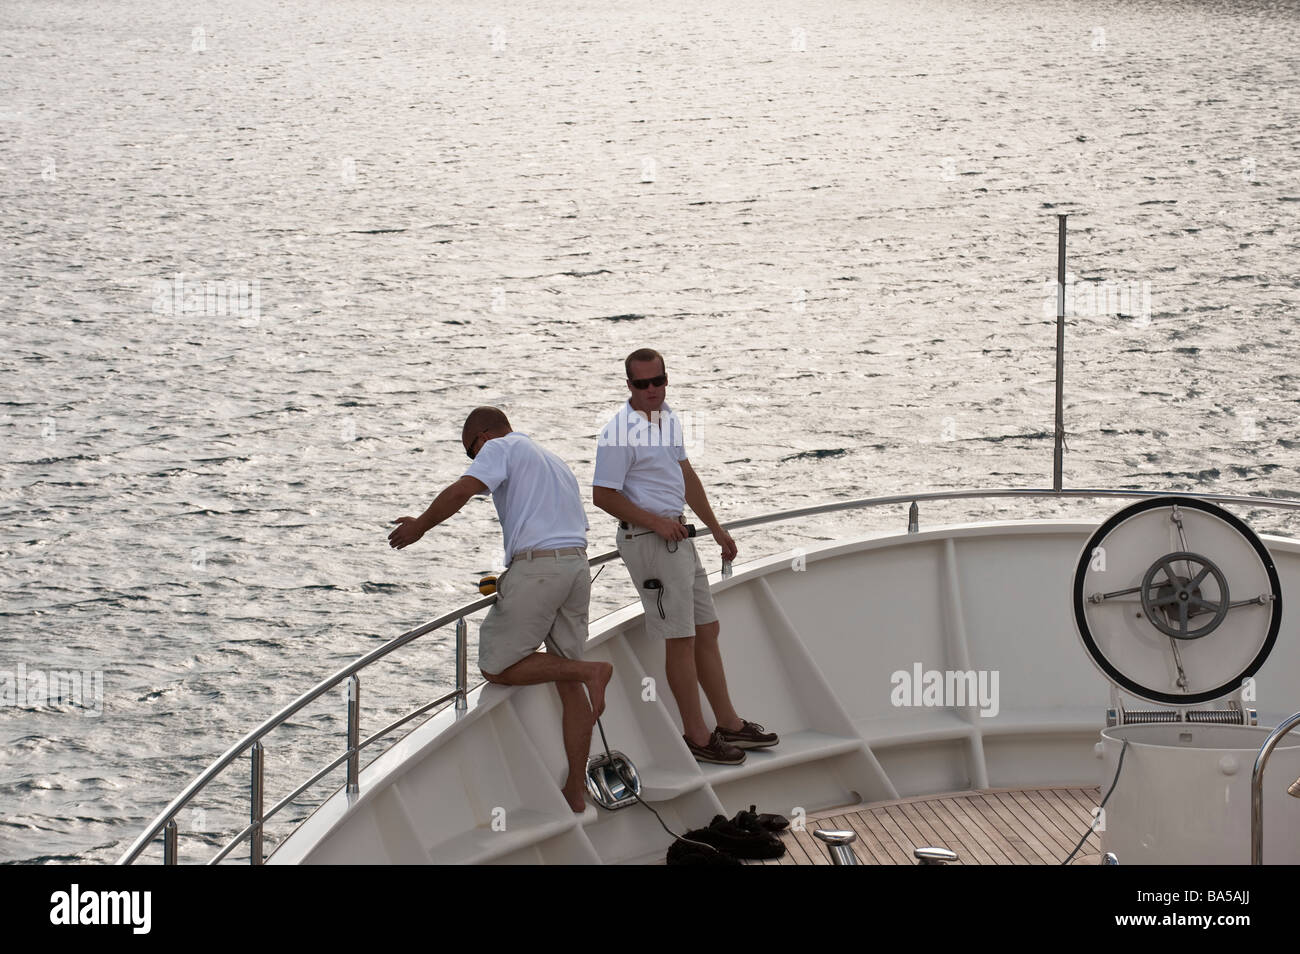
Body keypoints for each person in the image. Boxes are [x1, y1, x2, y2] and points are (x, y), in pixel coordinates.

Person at [388, 406, 612, 813]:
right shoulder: (552, 460)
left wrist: (419, 525)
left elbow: (462, 490)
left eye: (471, 453)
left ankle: (589, 670)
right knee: (567, 683)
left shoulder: (498, 446)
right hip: (577, 566)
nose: (475, 461)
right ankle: (575, 789)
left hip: (541, 569)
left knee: (496, 665)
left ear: (482, 437)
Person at [592, 349, 778, 764]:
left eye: (659, 380)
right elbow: (602, 495)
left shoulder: (668, 417)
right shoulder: (618, 432)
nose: (653, 389)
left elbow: (685, 474)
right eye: (643, 384)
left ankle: (728, 722)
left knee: (707, 629)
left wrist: (716, 527)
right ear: (629, 387)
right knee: (681, 638)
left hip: (680, 536)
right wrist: (655, 523)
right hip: (650, 540)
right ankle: (697, 735)